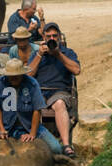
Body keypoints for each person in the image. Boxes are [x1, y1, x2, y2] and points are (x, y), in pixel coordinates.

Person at [0, 58, 62, 158]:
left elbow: (37, 109)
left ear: (22, 74)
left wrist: (32, 133)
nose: (13, 79)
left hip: (28, 125)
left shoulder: (32, 84)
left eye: (16, 77)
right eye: (11, 77)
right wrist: (1, 129)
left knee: (56, 148)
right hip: (6, 125)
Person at [24, 21, 80, 158]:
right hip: (40, 91)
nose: (52, 39)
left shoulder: (67, 52)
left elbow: (76, 70)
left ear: (59, 37)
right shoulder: (37, 53)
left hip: (59, 91)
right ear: (44, 37)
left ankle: (66, 145)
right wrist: (39, 55)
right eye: (49, 36)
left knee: (59, 103)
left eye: (55, 36)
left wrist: (58, 54)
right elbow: (27, 75)